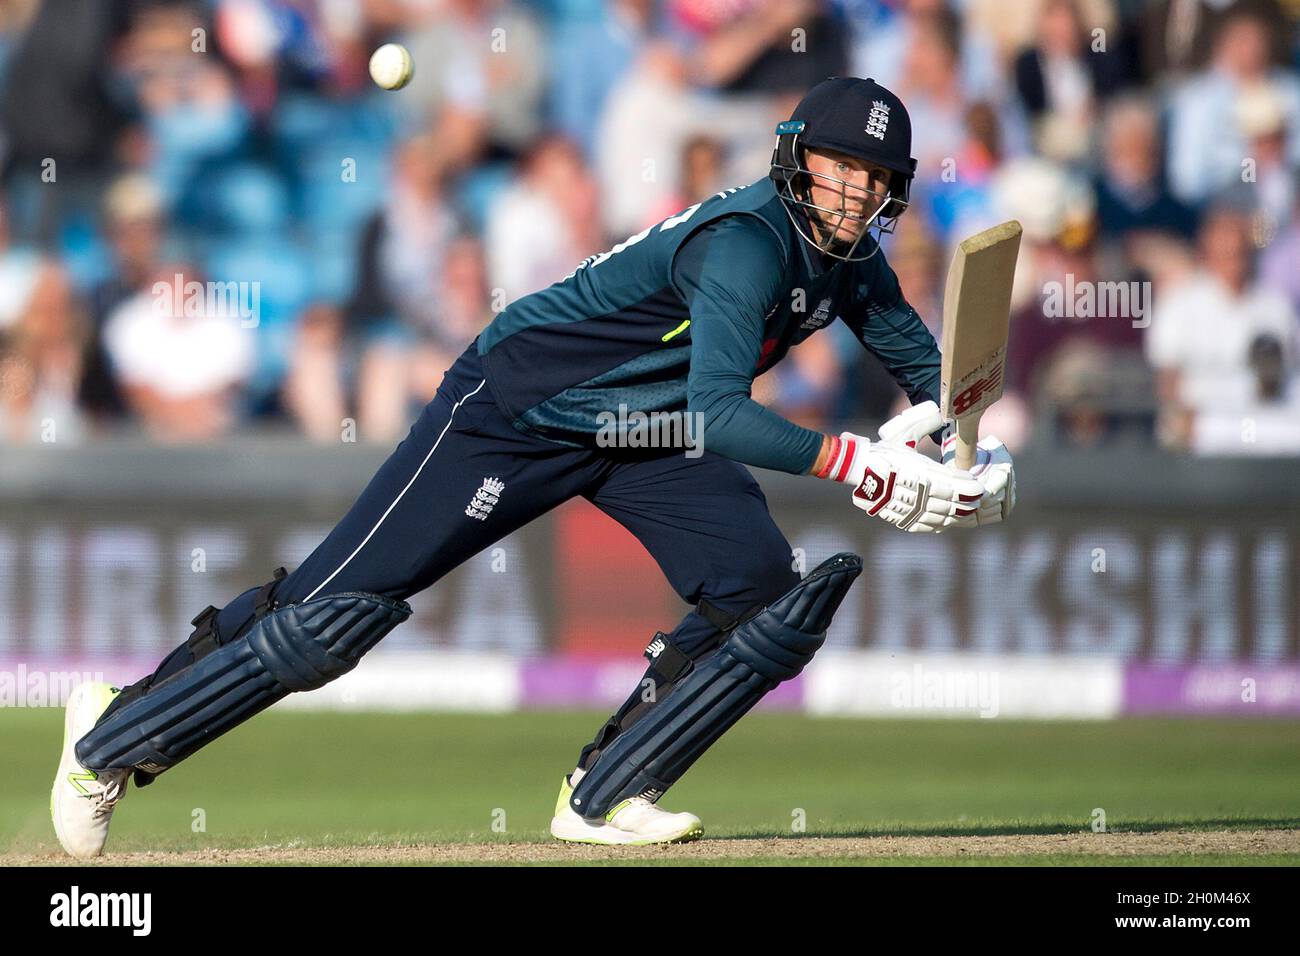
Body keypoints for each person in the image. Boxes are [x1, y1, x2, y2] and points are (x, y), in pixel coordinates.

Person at [51, 77, 1015, 856]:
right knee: (325, 621)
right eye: (837, 166)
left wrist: (978, 445)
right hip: (514, 411)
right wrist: (861, 463)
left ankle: (607, 792)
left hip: (644, 431)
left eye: (873, 176)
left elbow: (932, 369)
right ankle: (113, 735)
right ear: (796, 158)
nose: (852, 191)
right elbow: (724, 412)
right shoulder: (745, 248)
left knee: (759, 587)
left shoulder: (852, 260)